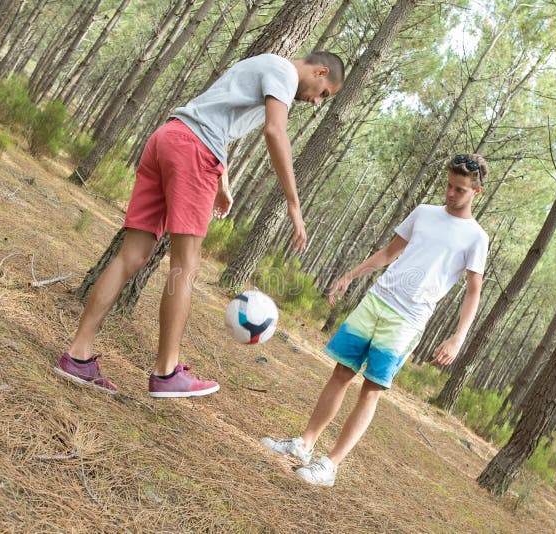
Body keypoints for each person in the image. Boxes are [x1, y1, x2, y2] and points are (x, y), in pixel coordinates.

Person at [54, 52, 345, 397]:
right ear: (320, 71)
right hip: (193, 152)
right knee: (185, 267)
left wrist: (221, 180)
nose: (315, 101)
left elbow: (214, 113)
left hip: (168, 138)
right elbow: (274, 131)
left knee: (130, 257)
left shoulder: (264, 64)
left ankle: (78, 355)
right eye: (322, 93)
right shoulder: (284, 72)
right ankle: (166, 373)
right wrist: (293, 204)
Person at [262, 154, 489, 486]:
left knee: (371, 389)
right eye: (449, 186)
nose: (451, 194)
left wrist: (458, 337)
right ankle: (304, 444)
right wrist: (351, 276)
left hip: (408, 319)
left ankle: (330, 465)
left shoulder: (476, 237)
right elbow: (388, 252)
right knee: (341, 372)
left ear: (476, 192)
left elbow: (473, 291)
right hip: (377, 300)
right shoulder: (424, 213)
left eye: (460, 190)